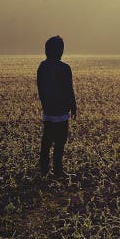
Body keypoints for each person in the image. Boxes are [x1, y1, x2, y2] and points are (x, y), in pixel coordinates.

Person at [37, 35, 77, 177]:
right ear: (60, 51)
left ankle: (43, 169)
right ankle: (58, 170)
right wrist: (73, 106)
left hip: (48, 110)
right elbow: (69, 89)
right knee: (60, 142)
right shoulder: (65, 68)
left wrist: (45, 104)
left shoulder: (42, 67)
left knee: (46, 140)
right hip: (61, 112)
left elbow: (40, 89)